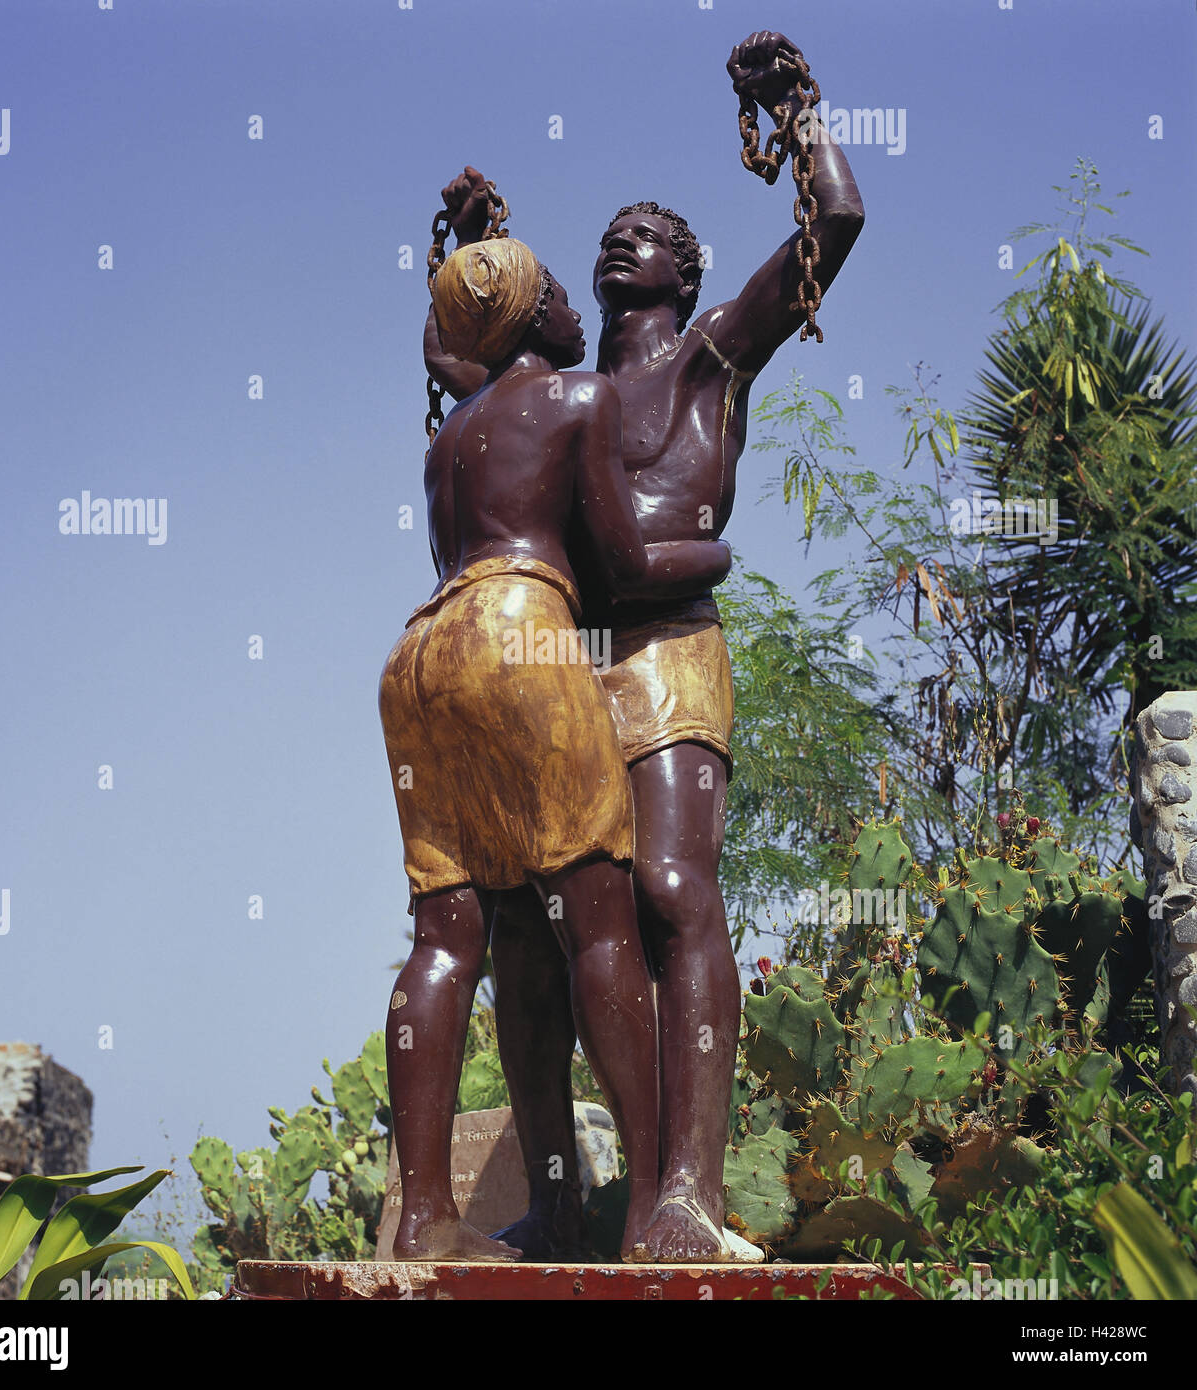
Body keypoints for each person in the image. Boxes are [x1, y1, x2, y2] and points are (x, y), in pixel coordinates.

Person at [423, 32, 865, 1262]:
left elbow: (835, 221)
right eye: (610, 230)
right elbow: (466, 365)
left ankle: (684, 1188)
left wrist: (798, 117)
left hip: (668, 646)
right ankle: (560, 1197)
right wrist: (472, 260)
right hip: (559, 663)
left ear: (688, 267)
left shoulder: (713, 352)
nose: (624, 237)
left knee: (673, 894)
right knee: (528, 930)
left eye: (651, 231)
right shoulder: (557, 386)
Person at [382, 236, 731, 1261]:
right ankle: (641, 1216)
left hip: (416, 654)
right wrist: (708, 548)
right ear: (536, 316)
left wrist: (462, 283)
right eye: (555, 296)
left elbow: (464, 362)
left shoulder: (446, 445)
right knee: (600, 918)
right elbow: (619, 556)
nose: (578, 306)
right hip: (520, 634)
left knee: (446, 935)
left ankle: (422, 1216)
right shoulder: (580, 400)